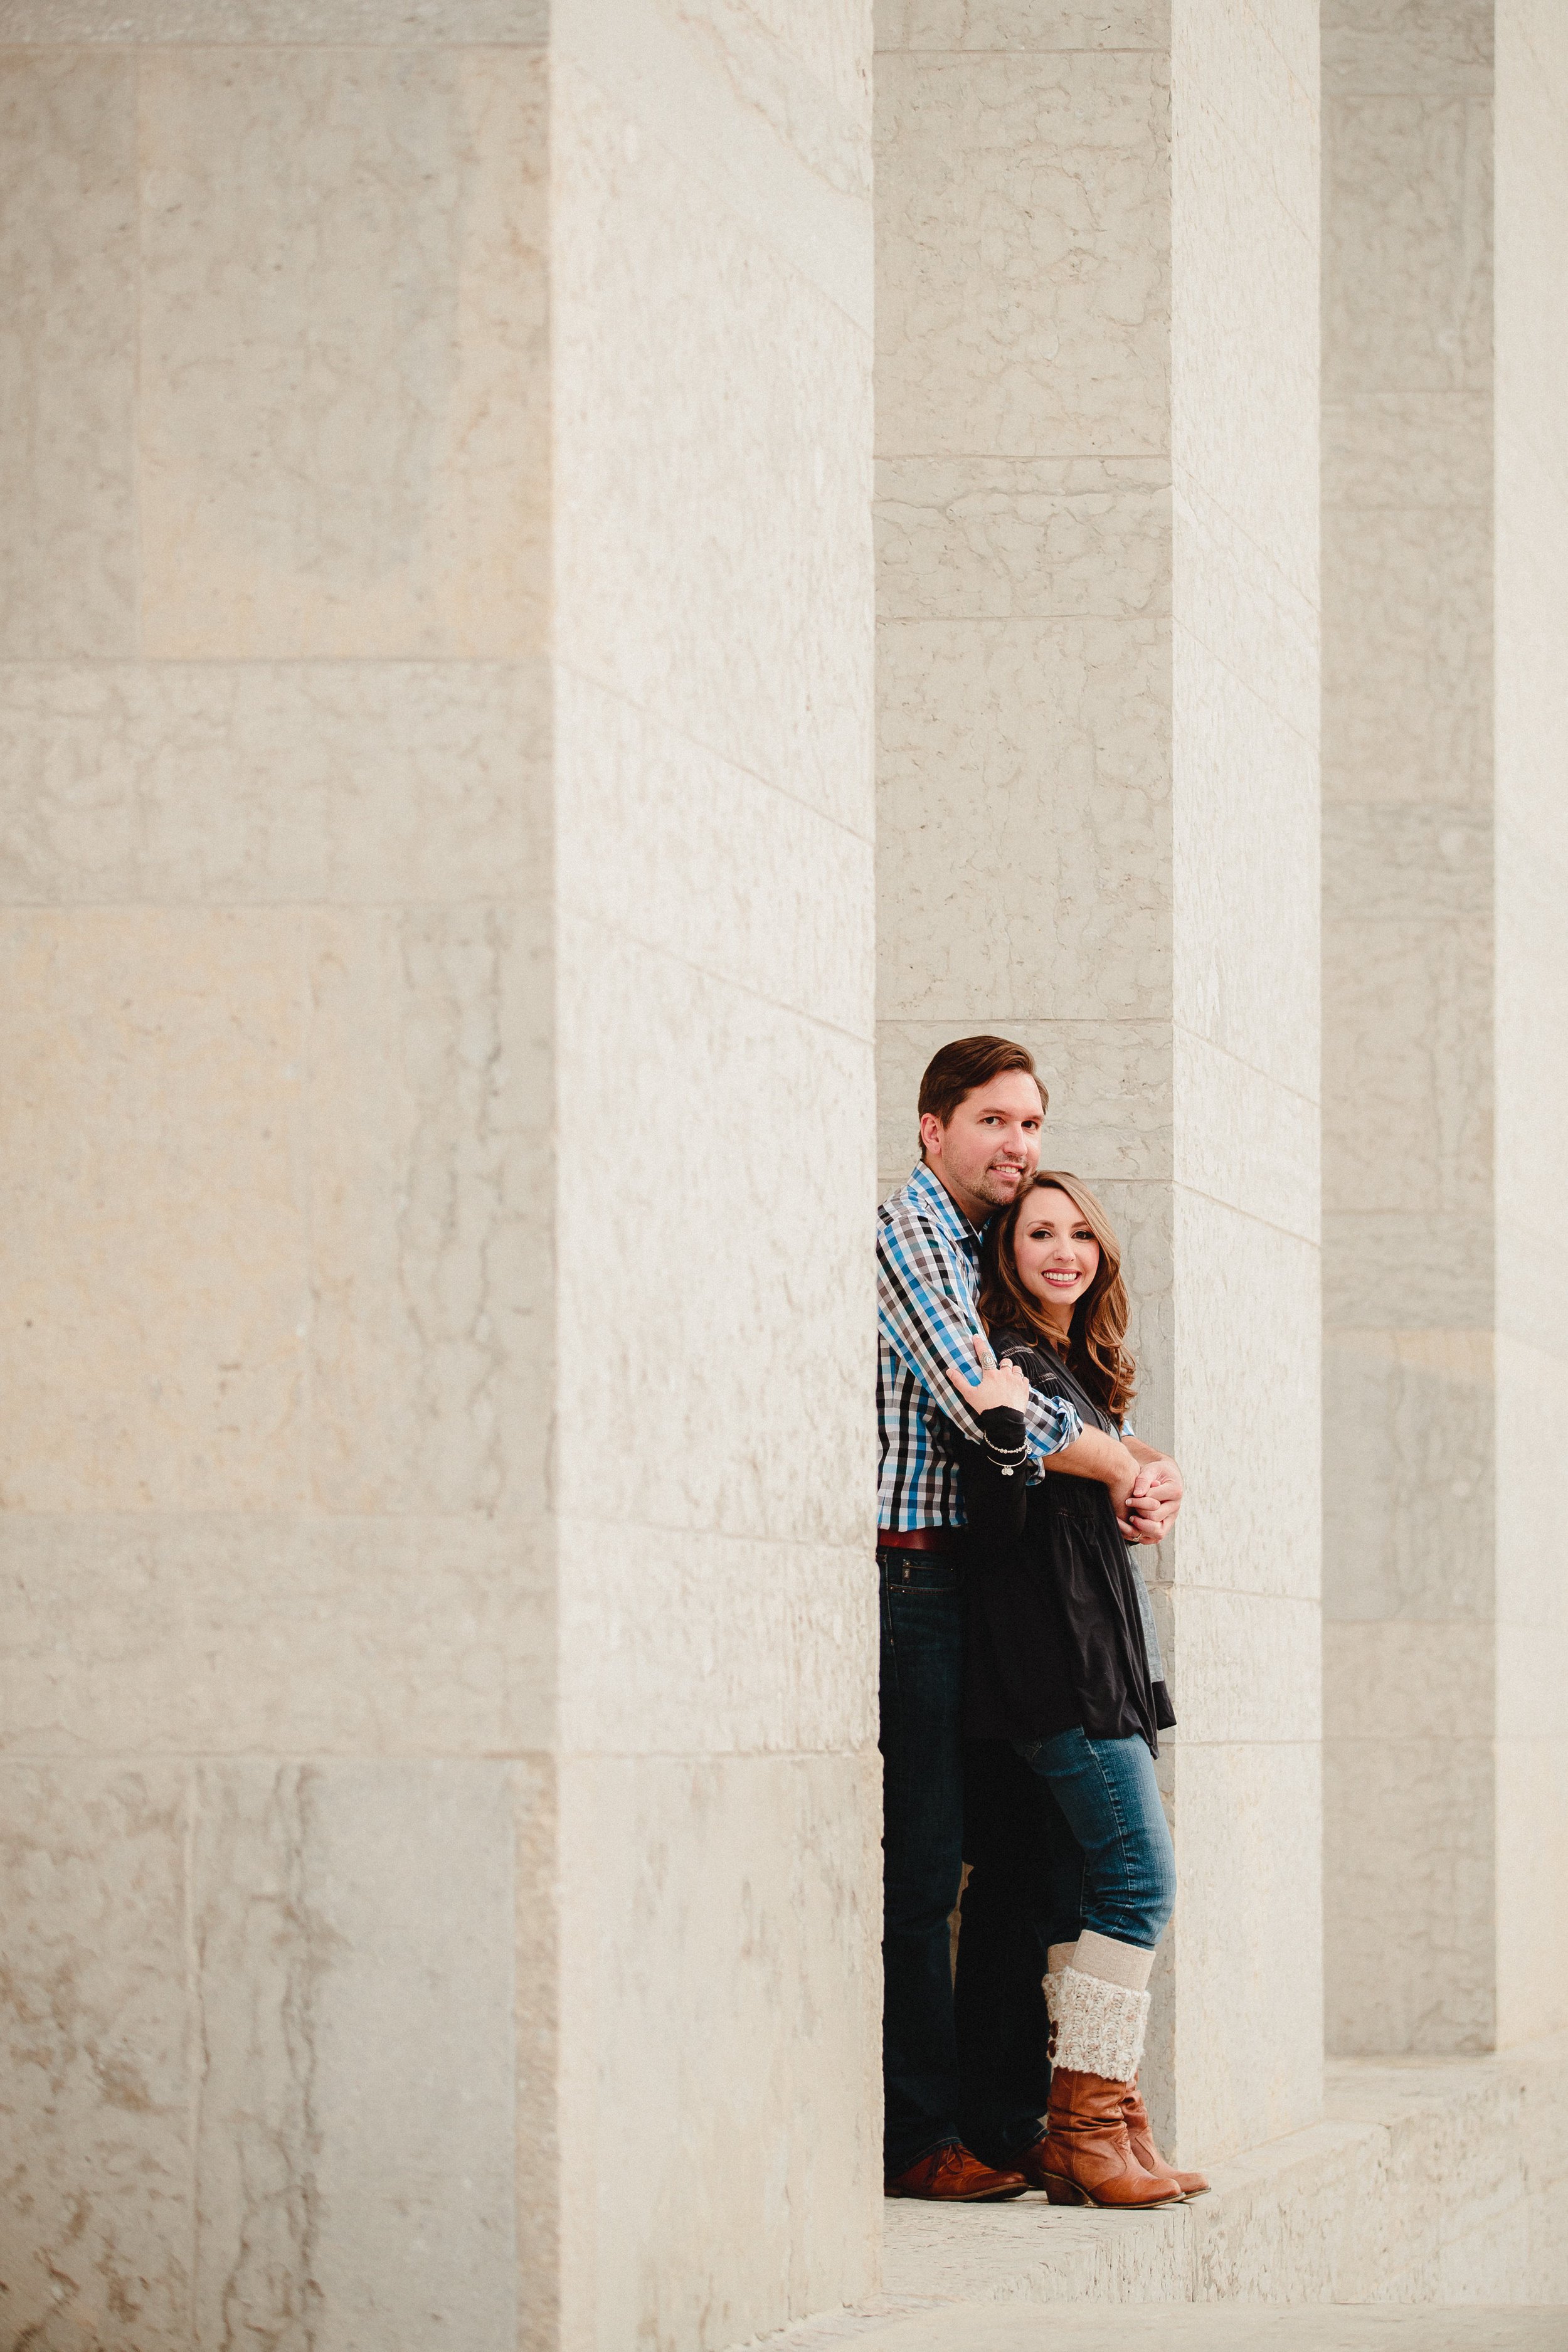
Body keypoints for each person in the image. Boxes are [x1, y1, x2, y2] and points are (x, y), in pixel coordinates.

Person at [876, 1038, 1183, 2200]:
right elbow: (988, 1407)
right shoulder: (916, 1237)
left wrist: (1146, 1470)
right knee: (926, 1877)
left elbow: (1052, 1414)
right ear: (931, 1126)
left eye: (1030, 1125)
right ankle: (920, 2134)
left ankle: (1026, 2121)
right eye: (993, 1121)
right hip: (918, 1587)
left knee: (1011, 1870)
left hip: (985, 1598)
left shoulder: (982, 1256)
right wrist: (1118, 1469)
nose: (1015, 1145)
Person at [953, 1168, 1208, 2206]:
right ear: (1007, 1256)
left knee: (1078, 1896)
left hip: (1092, 1669)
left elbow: (1119, 1466)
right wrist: (1131, 1463)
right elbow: (1011, 1501)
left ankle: (1103, 2127)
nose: (1064, 1250)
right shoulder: (1011, 1363)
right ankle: (1087, 2131)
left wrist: (1149, 1466)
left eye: (1081, 1235)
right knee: (1139, 1882)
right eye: (1038, 1233)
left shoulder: (1071, 1373)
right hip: (1060, 1675)